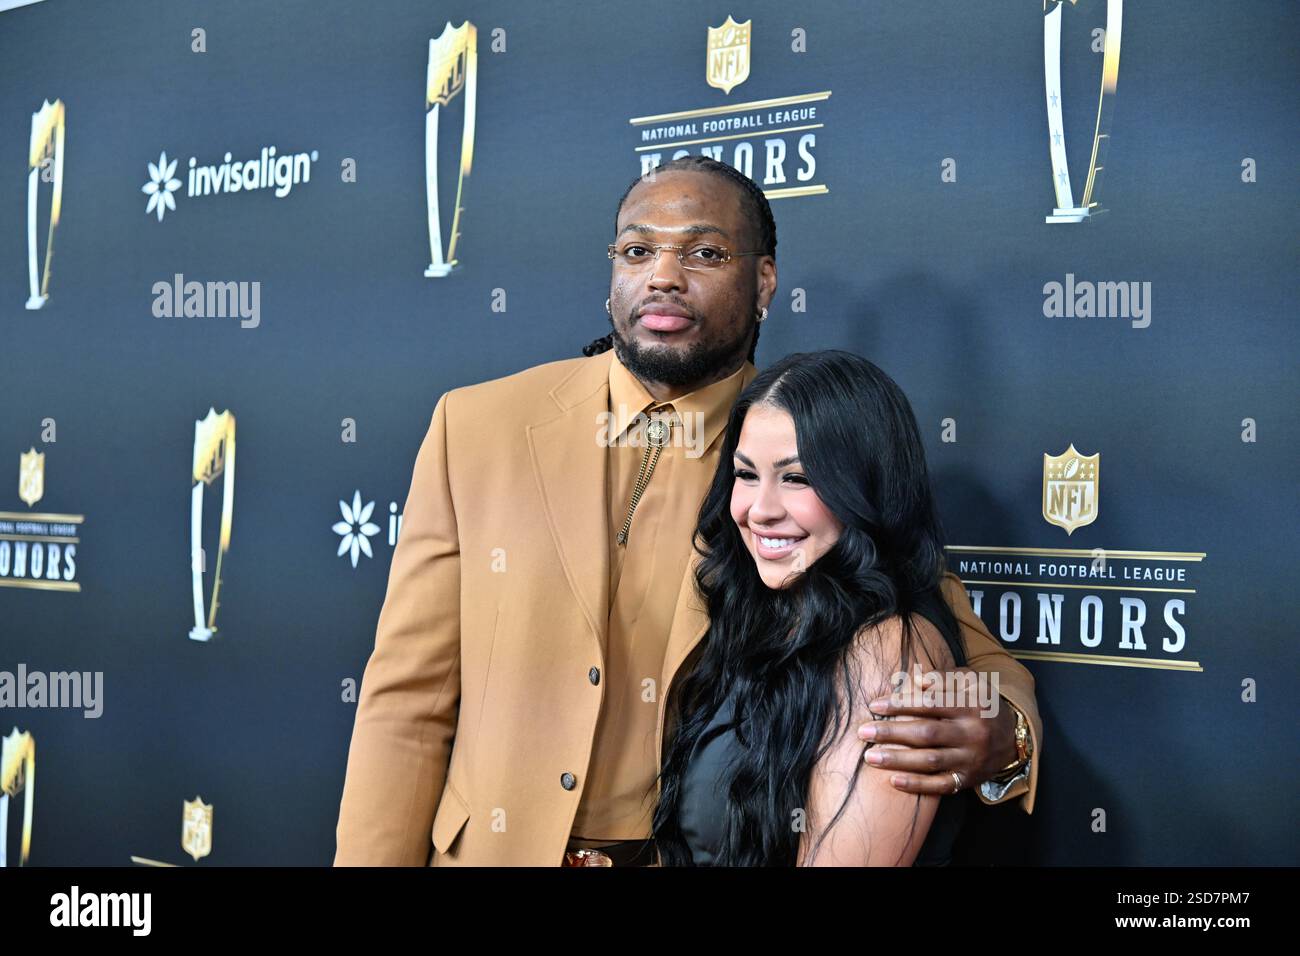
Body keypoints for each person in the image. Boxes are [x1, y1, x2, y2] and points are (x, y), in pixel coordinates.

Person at [333, 156, 1039, 866]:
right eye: (638, 251)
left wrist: (1003, 734)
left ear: (764, 282)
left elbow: (956, 643)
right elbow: (407, 701)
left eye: (705, 252)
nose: (663, 275)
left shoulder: (801, 445)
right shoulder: (477, 426)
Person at [654, 349, 972, 866]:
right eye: (746, 474)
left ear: (865, 487)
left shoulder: (890, 650)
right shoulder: (762, 617)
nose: (761, 510)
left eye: (797, 478)